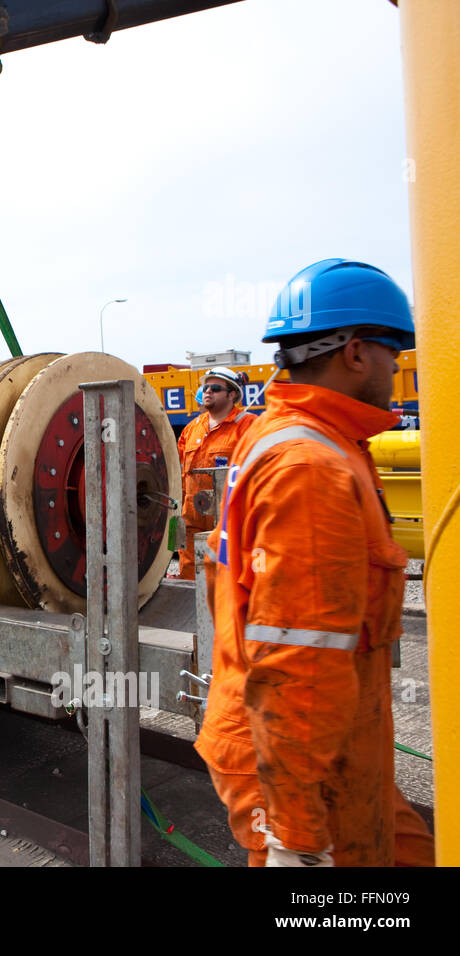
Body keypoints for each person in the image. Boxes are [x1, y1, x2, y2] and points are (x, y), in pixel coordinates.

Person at [196, 258, 434, 867]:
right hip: (308, 780)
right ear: (355, 352)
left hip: (339, 756)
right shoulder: (310, 468)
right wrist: (297, 842)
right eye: (392, 351)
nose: (396, 365)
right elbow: (297, 664)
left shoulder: (294, 435)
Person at [174, 366, 257, 579]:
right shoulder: (192, 429)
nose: (208, 391)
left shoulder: (248, 426)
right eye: (206, 386)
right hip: (192, 521)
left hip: (230, 525)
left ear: (232, 395)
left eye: (215, 387)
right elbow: (178, 470)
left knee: (226, 583)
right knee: (190, 581)